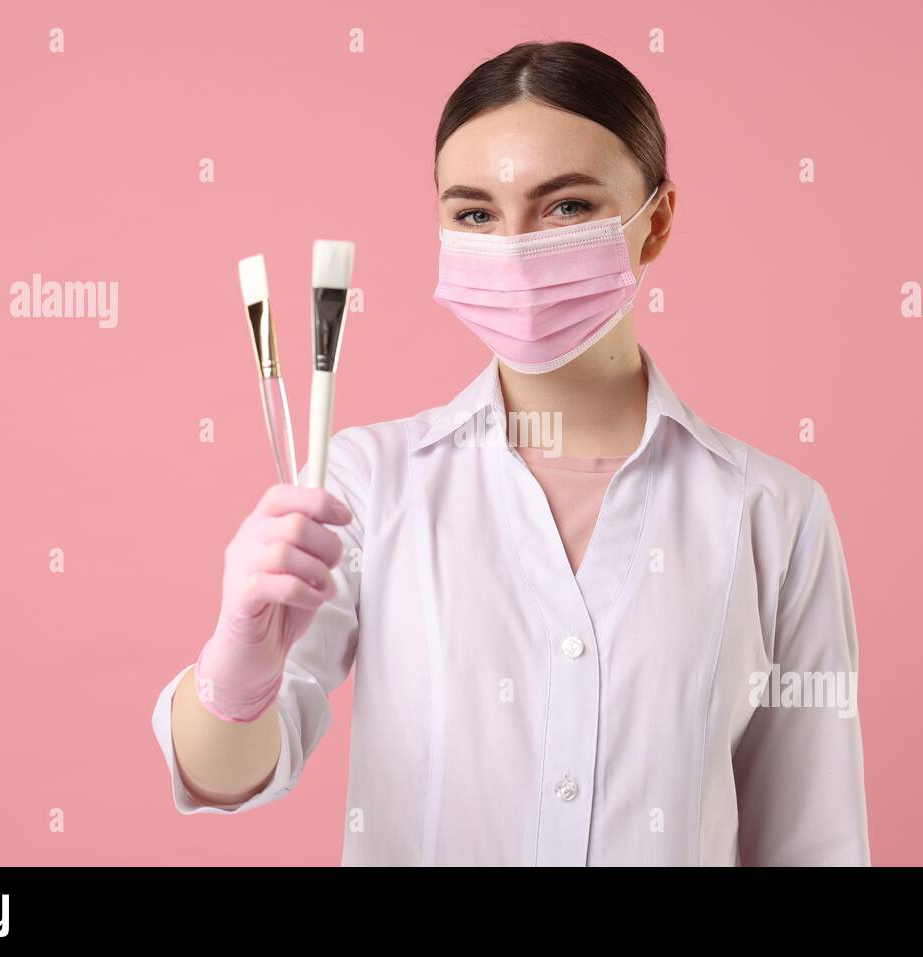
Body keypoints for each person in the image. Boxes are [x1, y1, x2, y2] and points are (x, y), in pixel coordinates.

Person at [152, 40, 871, 866]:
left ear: (658, 222)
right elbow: (225, 777)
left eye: (565, 207)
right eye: (475, 214)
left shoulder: (774, 516)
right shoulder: (363, 487)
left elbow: (813, 843)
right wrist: (236, 671)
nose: (516, 247)